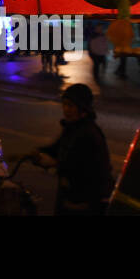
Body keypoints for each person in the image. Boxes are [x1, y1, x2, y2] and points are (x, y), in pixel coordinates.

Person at [29, 84, 112, 216]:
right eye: (64, 104)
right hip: (69, 196)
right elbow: (56, 148)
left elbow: (83, 167)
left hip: (83, 202)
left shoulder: (88, 133)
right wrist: (37, 153)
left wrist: (54, 163)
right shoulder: (72, 127)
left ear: (82, 108)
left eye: (71, 106)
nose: (66, 110)